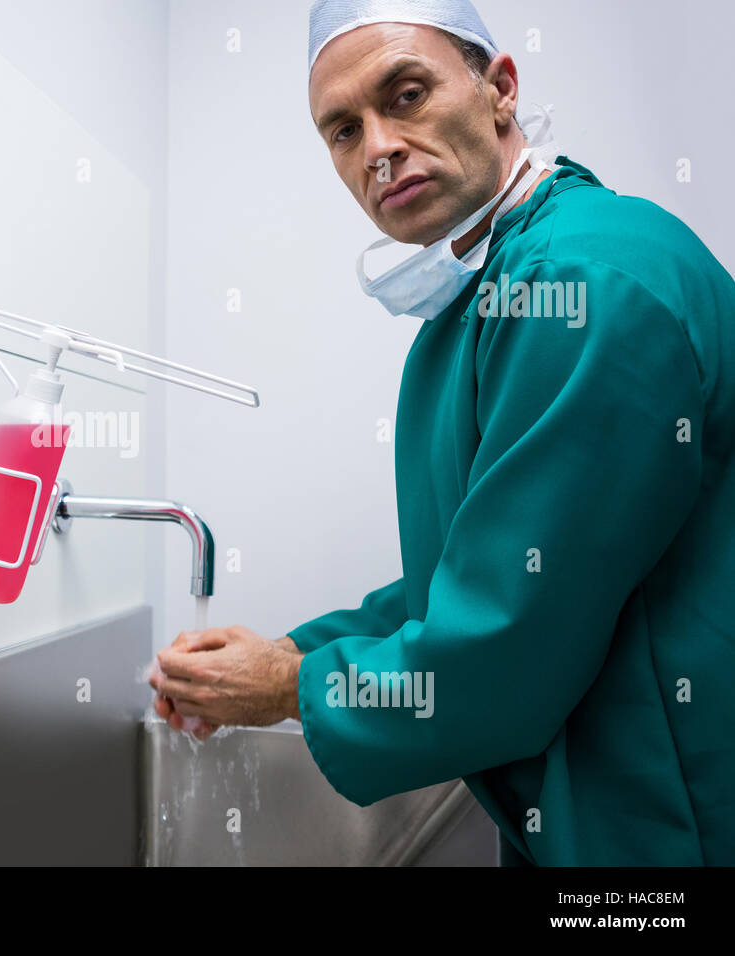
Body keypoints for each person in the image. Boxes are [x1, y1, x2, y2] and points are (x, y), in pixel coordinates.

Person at [148, 0, 735, 866]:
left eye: (407, 94)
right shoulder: (500, 291)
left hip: (660, 833)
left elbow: (509, 646)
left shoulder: (582, 286)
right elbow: (477, 571)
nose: (378, 146)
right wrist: (296, 654)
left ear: (500, 88)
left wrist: (292, 686)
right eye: (343, 131)